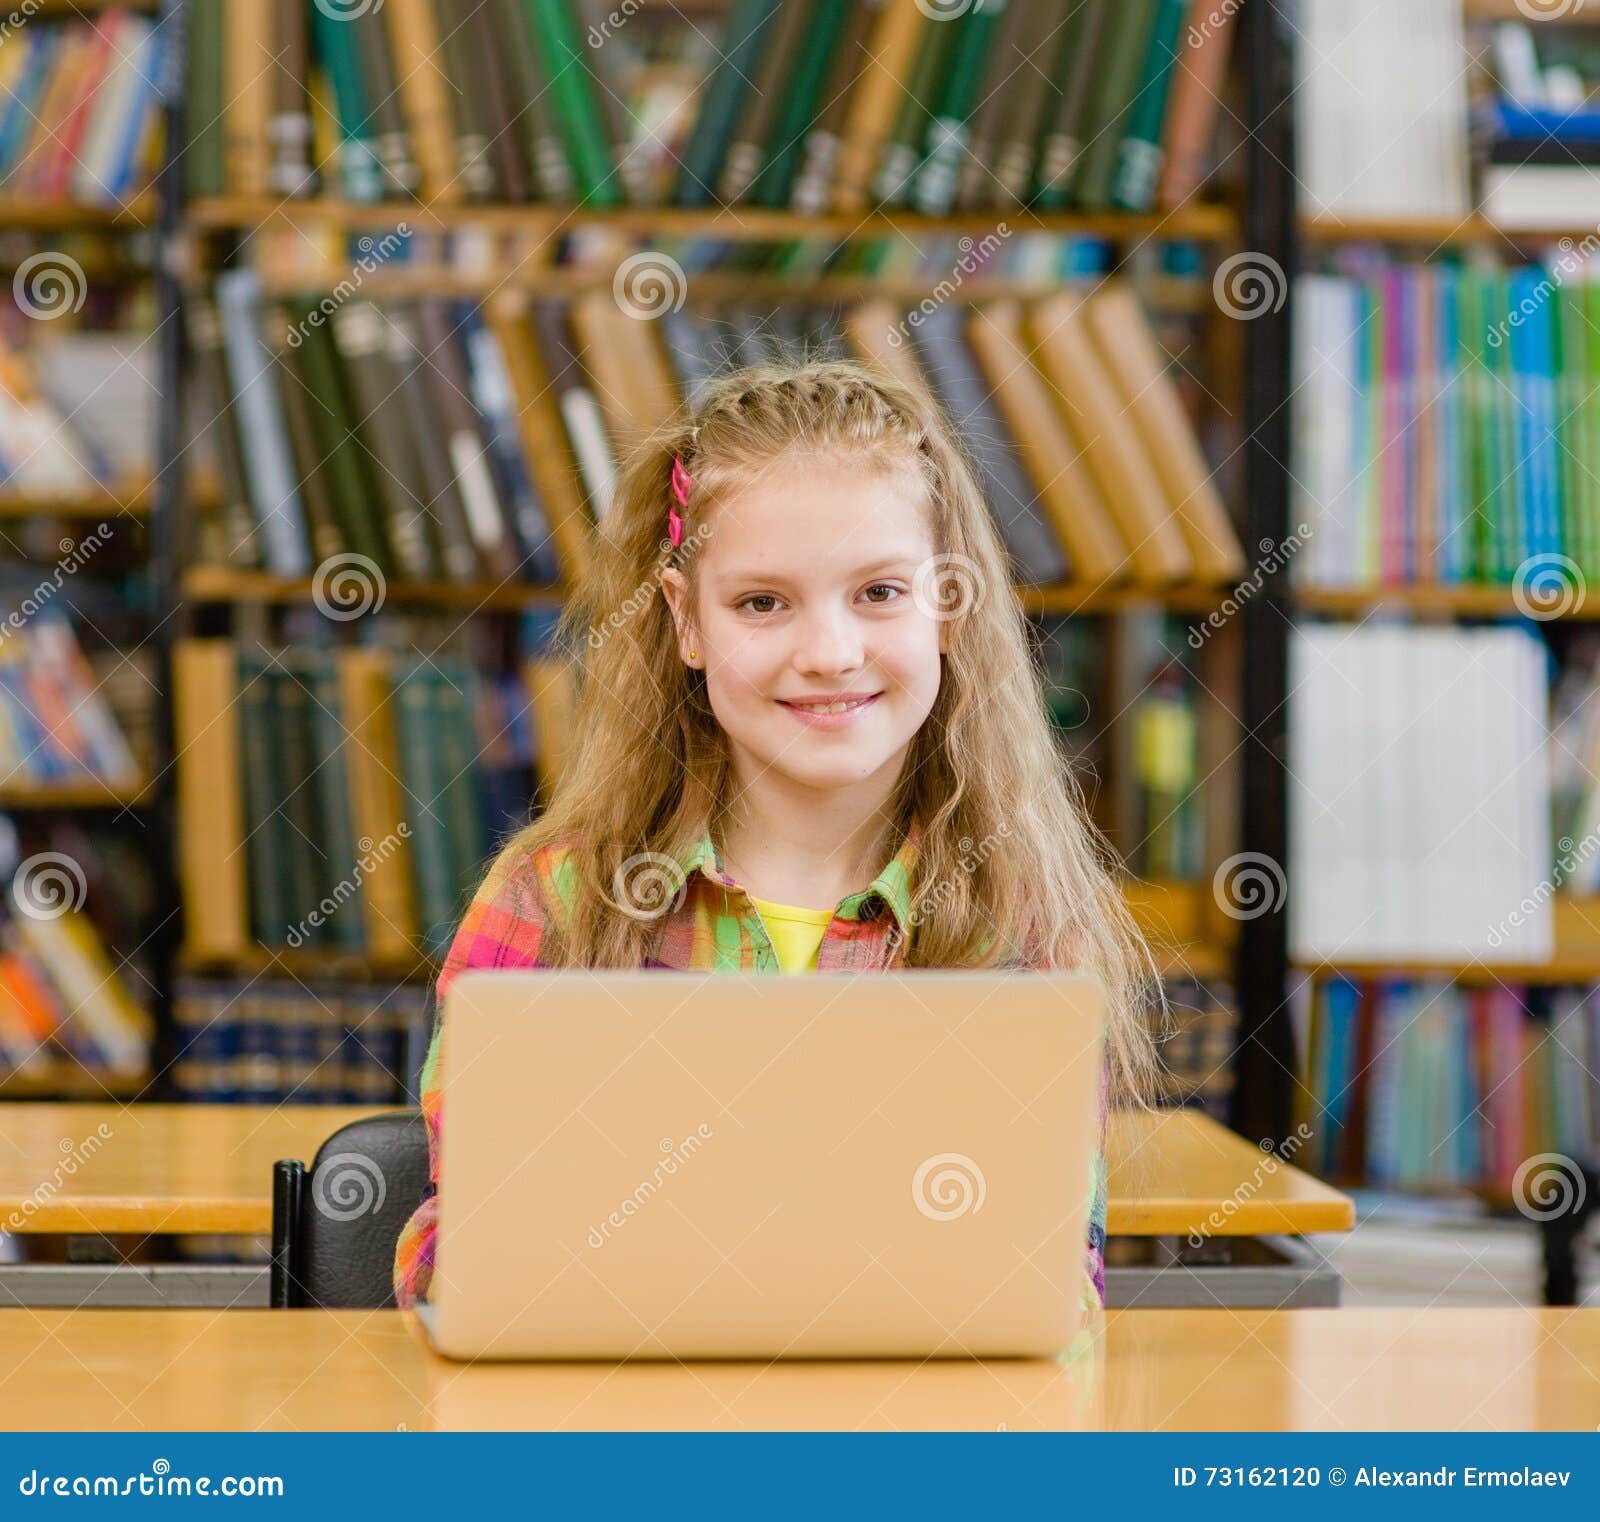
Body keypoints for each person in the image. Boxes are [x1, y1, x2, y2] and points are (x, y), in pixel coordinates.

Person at [393, 357, 1165, 1315]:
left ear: (948, 606)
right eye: (763, 603)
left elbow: (1054, 1282)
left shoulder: (1026, 927)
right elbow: (455, 1268)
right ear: (685, 621)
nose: (830, 653)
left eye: (879, 592)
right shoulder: (549, 903)